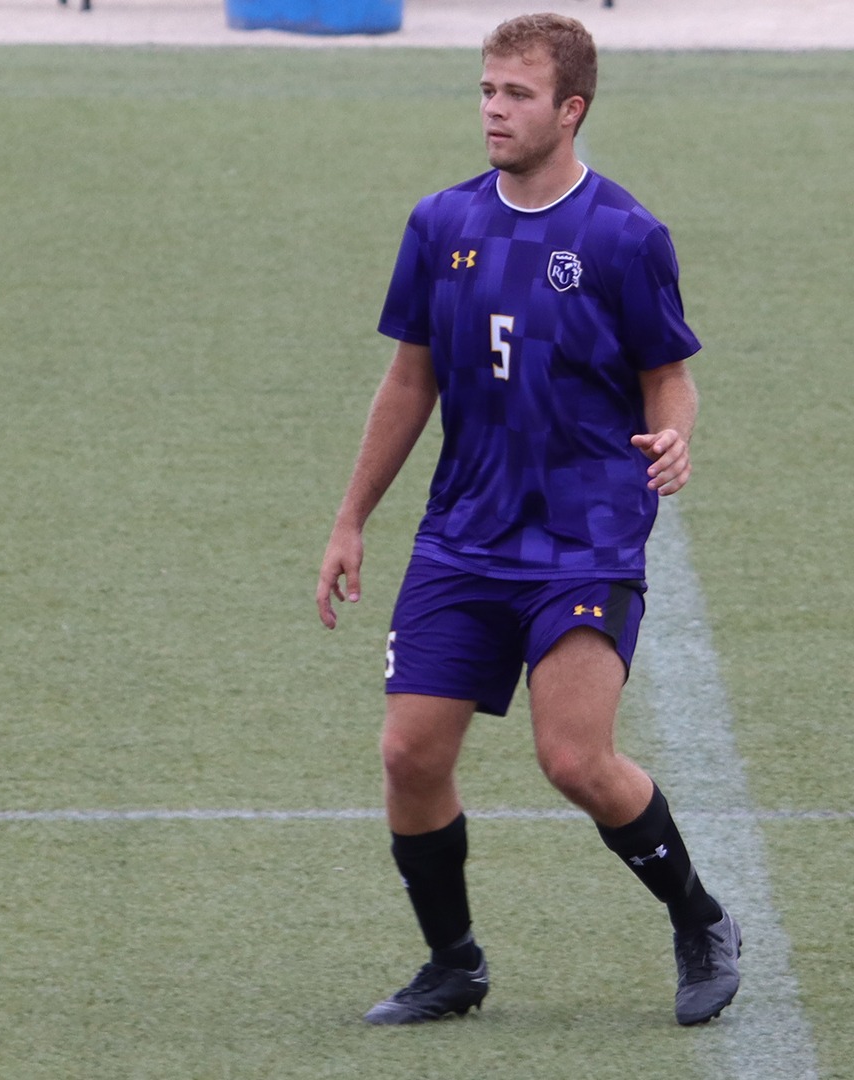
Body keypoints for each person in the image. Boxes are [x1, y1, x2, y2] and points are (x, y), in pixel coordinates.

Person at [314, 12, 740, 1027]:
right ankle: (453, 963)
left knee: (574, 759)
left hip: (585, 534)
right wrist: (350, 518)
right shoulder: (441, 225)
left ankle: (699, 917)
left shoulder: (625, 237)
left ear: (571, 109)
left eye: (516, 95)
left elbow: (668, 378)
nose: (493, 110)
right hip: (464, 533)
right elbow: (410, 378)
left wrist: (675, 436)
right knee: (410, 754)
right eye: (486, 90)